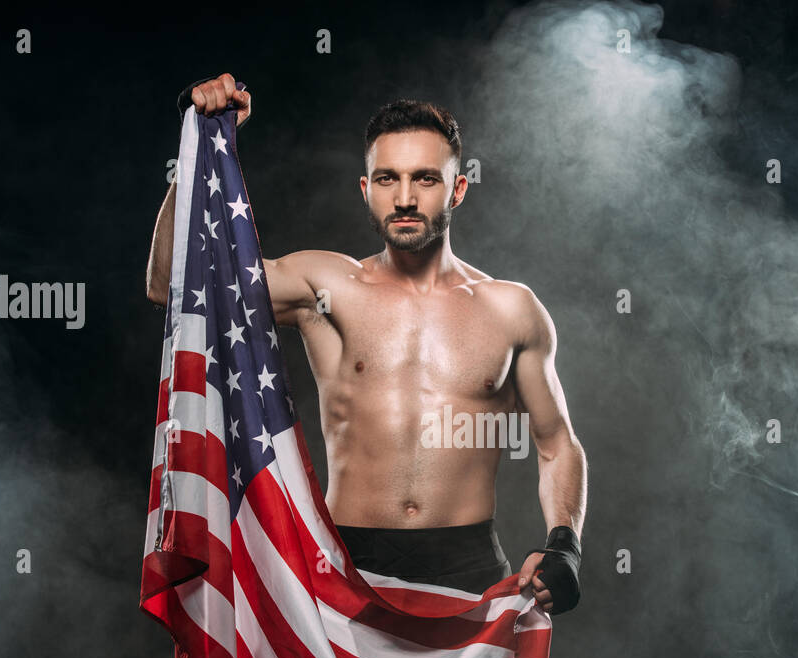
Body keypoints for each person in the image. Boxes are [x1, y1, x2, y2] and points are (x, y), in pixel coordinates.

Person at [146, 74, 586, 613]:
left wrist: (565, 543)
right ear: (366, 189)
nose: (404, 198)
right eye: (387, 179)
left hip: (469, 568)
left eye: (425, 179)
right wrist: (199, 144)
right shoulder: (324, 287)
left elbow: (556, 443)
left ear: (458, 188)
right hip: (348, 562)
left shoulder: (511, 308)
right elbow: (170, 279)